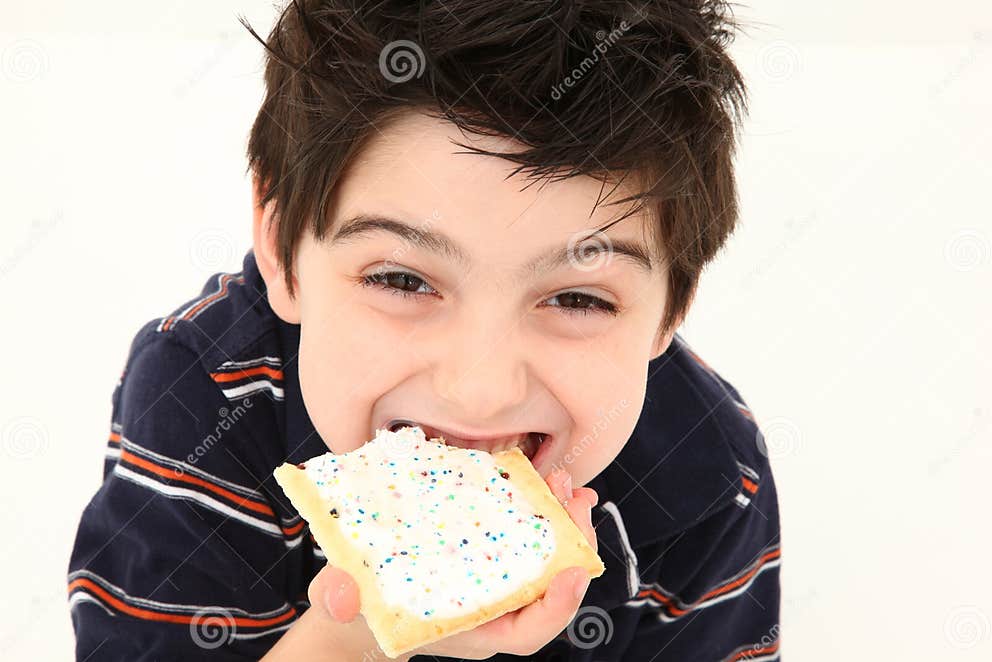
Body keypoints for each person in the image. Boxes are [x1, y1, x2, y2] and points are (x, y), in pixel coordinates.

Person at [68, 1, 781, 659]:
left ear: (672, 308)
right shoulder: (207, 401)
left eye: (576, 298)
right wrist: (359, 634)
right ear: (283, 251)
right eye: (403, 280)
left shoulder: (711, 472)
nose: (478, 392)